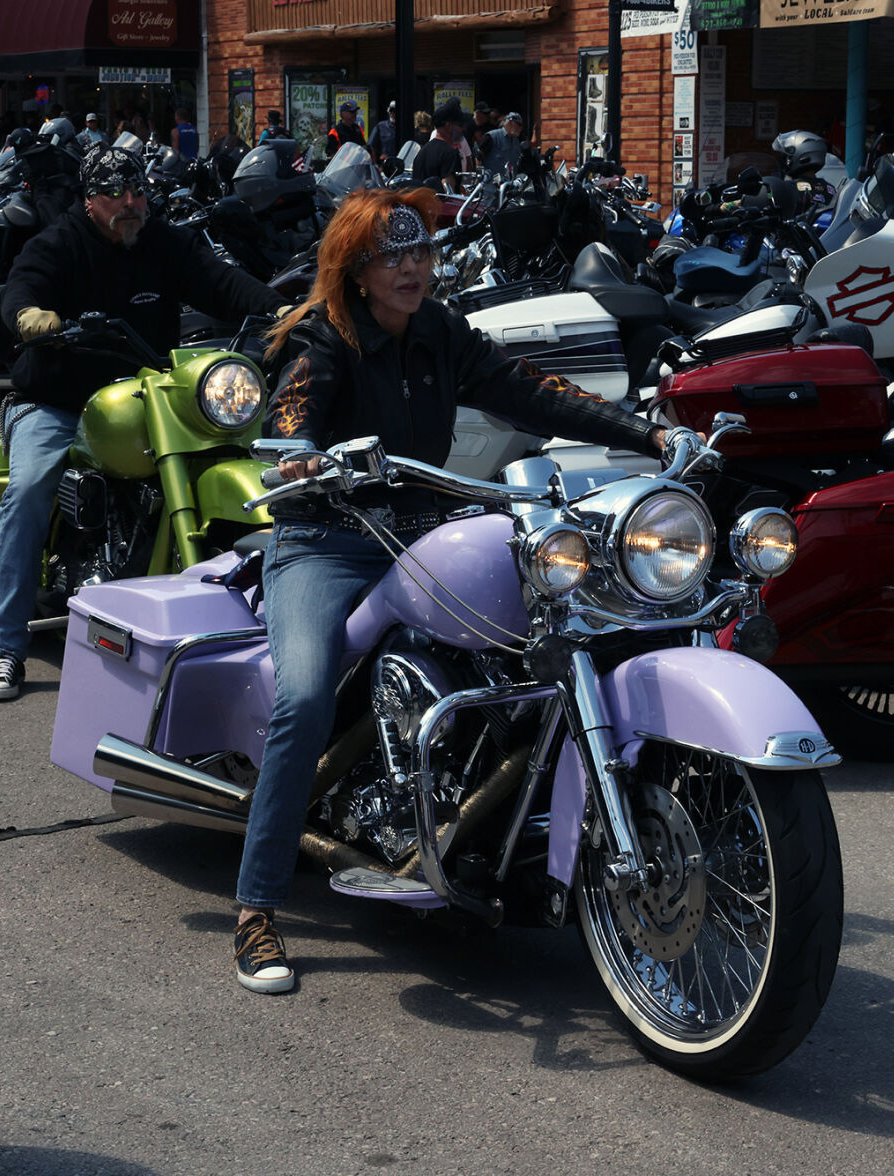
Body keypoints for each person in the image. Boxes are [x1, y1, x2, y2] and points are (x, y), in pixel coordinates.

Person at [232, 187, 678, 993]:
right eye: (391, 256)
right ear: (356, 269)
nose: (411, 269)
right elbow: (292, 408)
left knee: (537, 638)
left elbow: (532, 390)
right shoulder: (322, 338)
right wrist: (299, 453)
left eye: (421, 252)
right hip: (326, 542)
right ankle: (256, 908)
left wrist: (647, 431)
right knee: (302, 695)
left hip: (421, 536)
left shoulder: (441, 333)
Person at [0, 144, 286, 701]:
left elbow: (220, 280)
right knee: (27, 491)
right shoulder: (58, 243)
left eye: (138, 192)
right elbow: (22, 284)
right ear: (88, 199)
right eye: (115, 193)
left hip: (146, 395)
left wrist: (282, 310)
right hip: (56, 401)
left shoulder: (163, 242)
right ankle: (5, 649)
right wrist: (30, 315)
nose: (130, 203)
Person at [412, 116, 461, 192]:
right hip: (436, 199)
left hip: (419, 198)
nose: (461, 129)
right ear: (448, 126)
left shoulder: (421, 152)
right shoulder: (450, 153)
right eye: (458, 125)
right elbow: (449, 192)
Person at [479, 111, 524, 179]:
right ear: (510, 122)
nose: (521, 128)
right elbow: (478, 157)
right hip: (491, 182)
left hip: (509, 183)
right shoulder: (492, 136)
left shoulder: (516, 141)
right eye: (519, 124)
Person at [367, 100, 397, 166]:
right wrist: (375, 165)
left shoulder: (406, 127)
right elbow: (372, 146)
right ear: (388, 111)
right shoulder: (381, 126)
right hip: (385, 166)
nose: (393, 113)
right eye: (391, 110)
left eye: (395, 111)